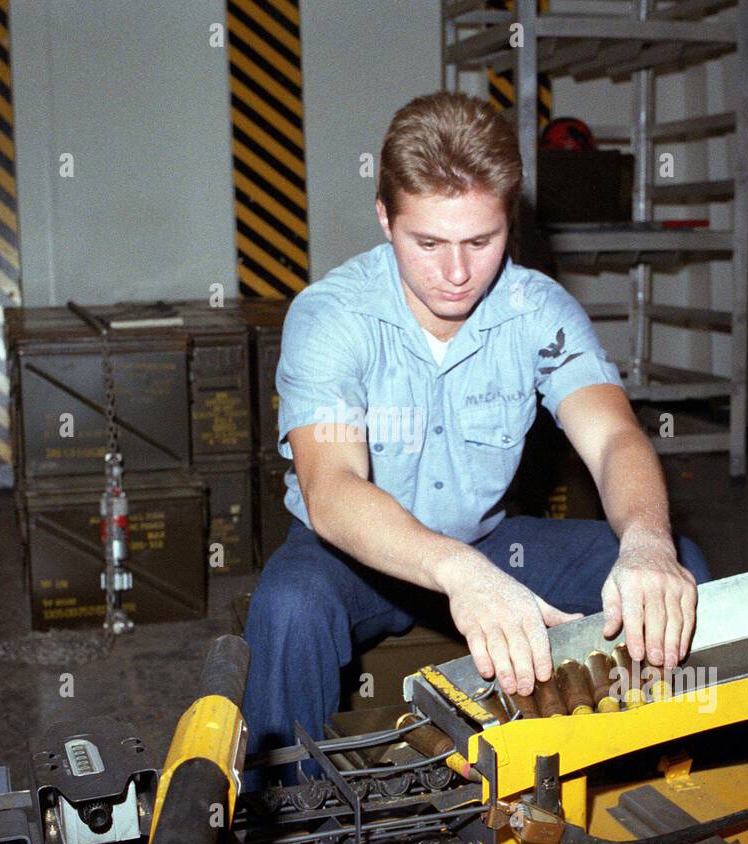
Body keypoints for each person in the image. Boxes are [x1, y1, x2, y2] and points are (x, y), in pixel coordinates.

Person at [243, 91, 710, 783]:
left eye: (480, 241)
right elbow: (332, 490)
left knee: (677, 570)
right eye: (427, 243)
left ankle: (661, 784)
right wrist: (461, 575)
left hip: (492, 542)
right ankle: (288, 817)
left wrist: (647, 543)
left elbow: (614, 438)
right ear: (385, 219)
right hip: (352, 555)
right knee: (286, 610)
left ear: (508, 223)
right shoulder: (330, 316)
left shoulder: (537, 311)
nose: (456, 273)